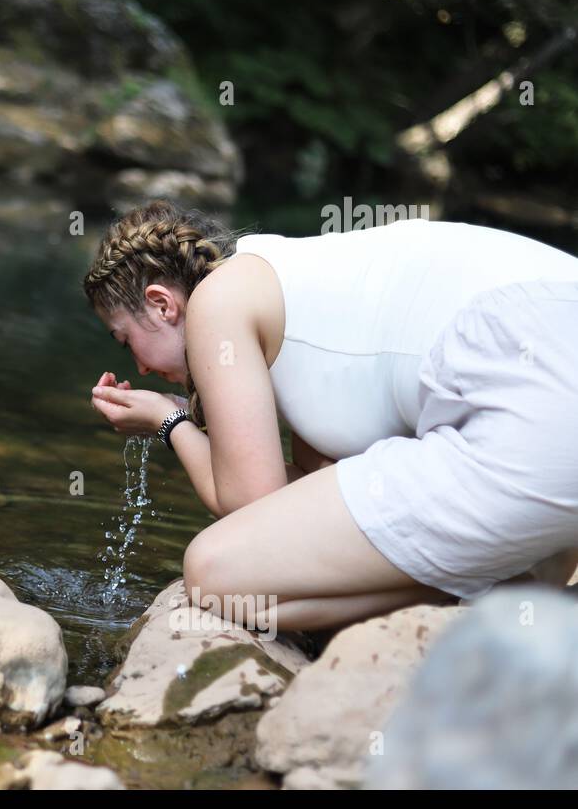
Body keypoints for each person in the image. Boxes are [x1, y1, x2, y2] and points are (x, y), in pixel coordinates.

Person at [83, 198, 578, 632]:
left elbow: (250, 504)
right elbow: (308, 502)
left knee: (215, 572)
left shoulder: (218, 299)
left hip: (529, 391)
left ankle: (502, 587)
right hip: (552, 352)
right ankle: (531, 564)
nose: (141, 366)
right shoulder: (296, 281)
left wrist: (169, 423)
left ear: (162, 304)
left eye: (128, 341)